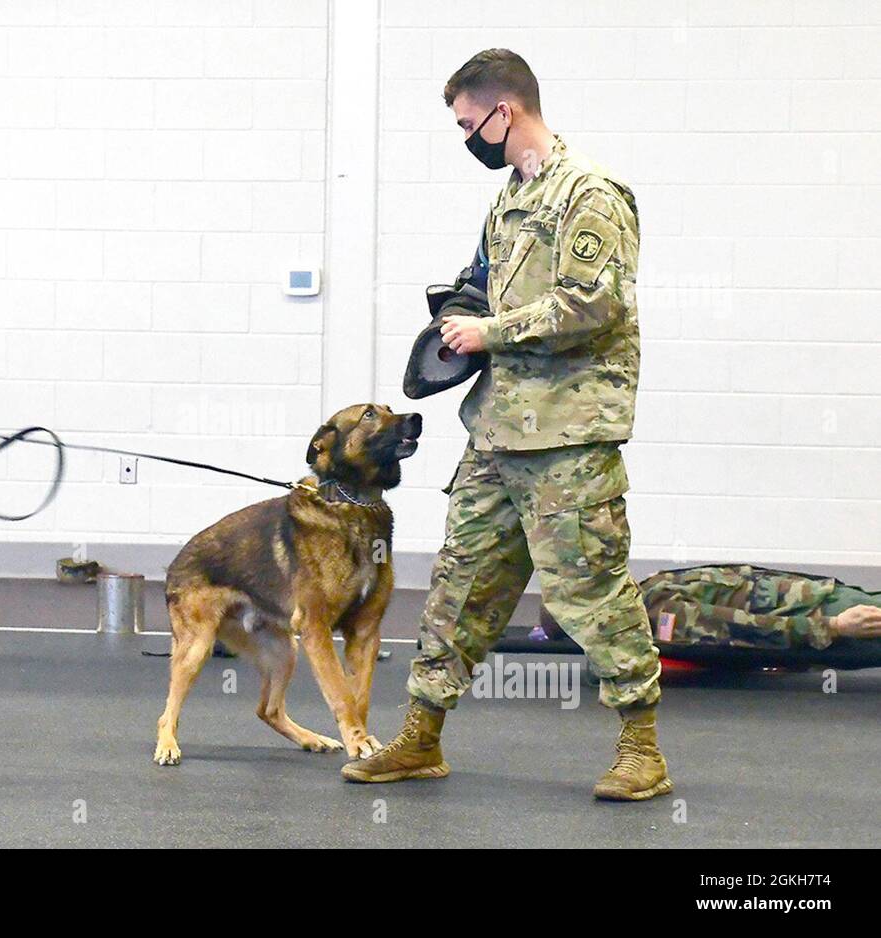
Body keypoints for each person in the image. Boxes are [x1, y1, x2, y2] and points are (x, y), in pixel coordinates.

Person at [343, 49, 671, 800]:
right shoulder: (510, 199)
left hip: (568, 437)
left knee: (590, 589)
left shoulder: (589, 193)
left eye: (469, 124)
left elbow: (594, 305)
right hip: (497, 430)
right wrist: (459, 315)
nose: (467, 138)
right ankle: (421, 738)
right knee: (459, 586)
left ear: (505, 111)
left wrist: (488, 332)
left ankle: (641, 749)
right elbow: (485, 283)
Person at [637, 564, 881, 649]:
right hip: (820, 617)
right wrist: (833, 626)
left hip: (822, 598)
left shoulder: (649, 587)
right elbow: (744, 627)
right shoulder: (659, 612)